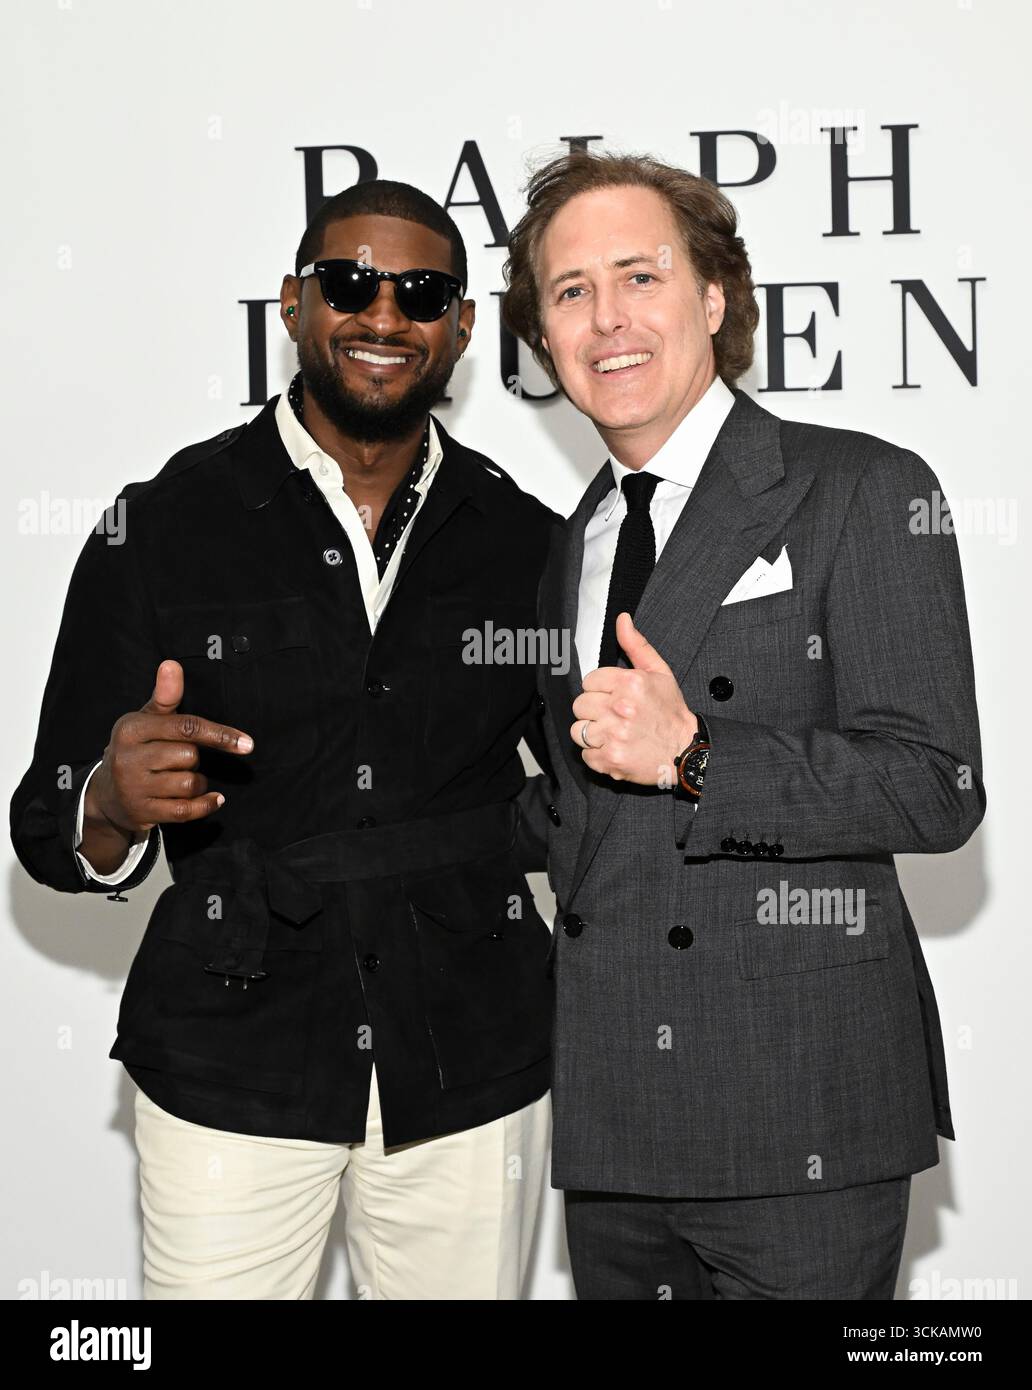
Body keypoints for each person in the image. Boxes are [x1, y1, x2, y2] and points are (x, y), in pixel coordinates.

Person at [11, 179, 560, 1300]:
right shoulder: (160, 525)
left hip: (471, 1059)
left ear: (461, 325)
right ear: (293, 303)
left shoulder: (531, 544)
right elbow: (47, 814)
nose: (384, 315)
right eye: (351, 283)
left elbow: (590, 794)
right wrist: (110, 802)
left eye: (423, 293)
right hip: (231, 1055)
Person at [502, 149, 986, 1300]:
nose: (606, 318)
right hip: (616, 1126)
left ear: (714, 299)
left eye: (640, 276)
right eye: (571, 292)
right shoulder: (569, 542)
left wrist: (699, 755)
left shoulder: (860, 486)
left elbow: (936, 784)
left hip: (797, 1111)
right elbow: (580, 814)